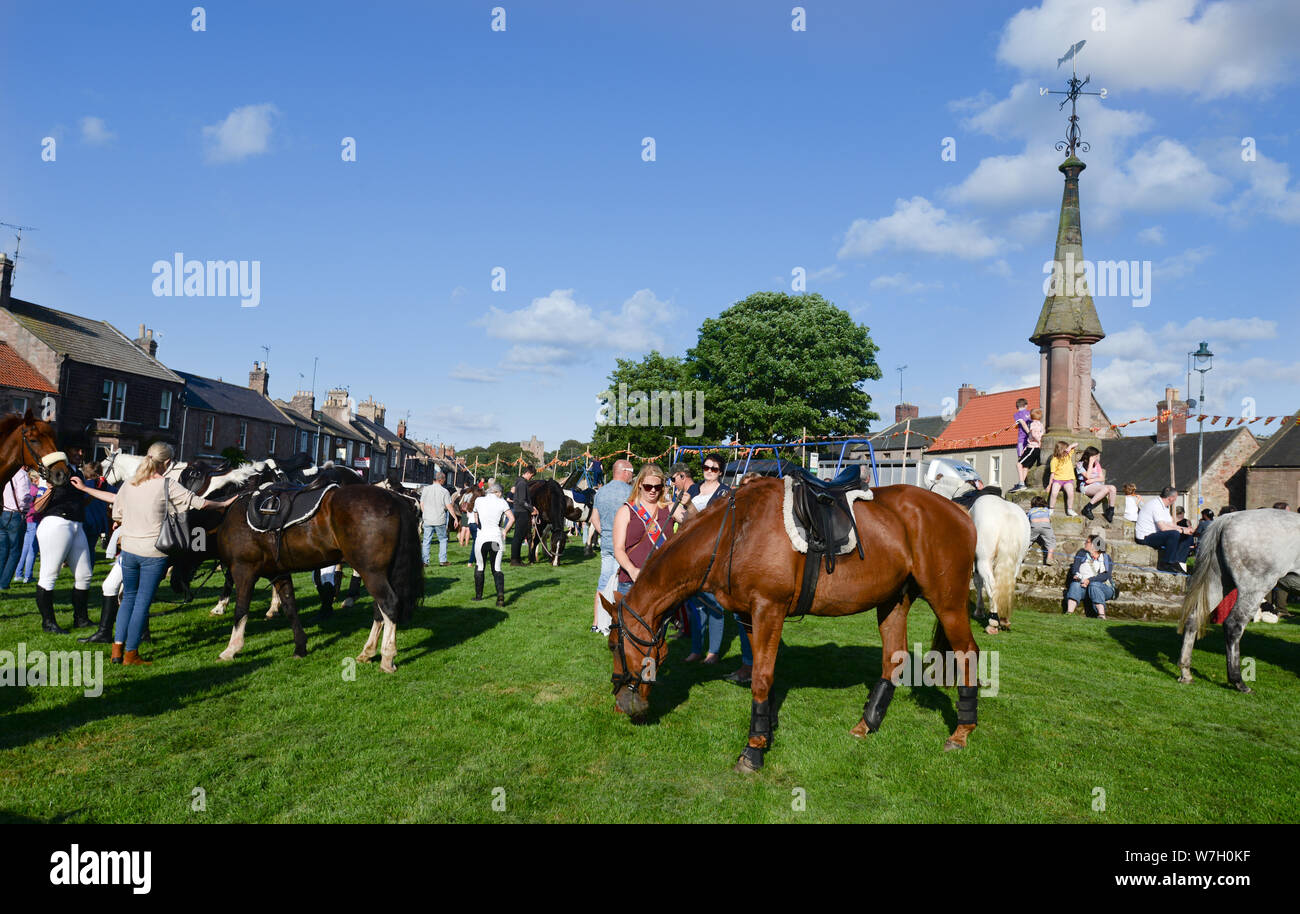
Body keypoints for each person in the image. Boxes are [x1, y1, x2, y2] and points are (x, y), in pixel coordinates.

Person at [73, 442, 234, 664]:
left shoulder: (130, 483)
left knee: (128, 598)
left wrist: (85, 489)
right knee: (142, 602)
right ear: (167, 462)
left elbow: (116, 508)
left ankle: (117, 651)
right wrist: (224, 503)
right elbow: (201, 504)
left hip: (128, 550)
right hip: (153, 553)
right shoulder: (167, 485)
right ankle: (132, 654)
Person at [30, 454, 94, 633]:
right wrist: (49, 488)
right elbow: (37, 508)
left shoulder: (77, 473)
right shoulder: (49, 474)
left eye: (81, 450)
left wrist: (93, 490)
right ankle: (48, 623)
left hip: (77, 524)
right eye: (75, 450)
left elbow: (81, 502)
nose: (80, 454)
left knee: (85, 574)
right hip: (56, 523)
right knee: (49, 574)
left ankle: (80, 619)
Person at [612, 464, 672, 597]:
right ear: (639, 484)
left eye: (657, 487)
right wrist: (632, 570)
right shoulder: (626, 511)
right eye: (648, 486)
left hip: (664, 580)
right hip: (631, 582)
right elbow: (618, 549)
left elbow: (693, 522)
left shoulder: (670, 508)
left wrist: (690, 505)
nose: (652, 490)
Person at [590, 459, 634, 633]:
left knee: (603, 582)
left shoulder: (601, 492)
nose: (632, 475)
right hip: (623, 545)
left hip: (607, 543)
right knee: (622, 585)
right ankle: (619, 624)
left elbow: (594, 519)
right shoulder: (631, 492)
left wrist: (606, 533)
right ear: (624, 471)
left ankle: (596, 623)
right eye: (631, 471)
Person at [1134, 486, 1193, 574]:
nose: (1175, 500)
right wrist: (1182, 530)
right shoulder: (1155, 505)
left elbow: (1171, 525)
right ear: (1170, 498)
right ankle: (1166, 564)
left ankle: (1178, 562)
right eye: (1175, 498)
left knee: (1187, 536)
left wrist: (1187, 529)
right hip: (1145, 537)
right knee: (1174, 534)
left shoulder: (1164, 507)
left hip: (1155, 534)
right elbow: (1163, 527)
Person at [471, 483, 513, 606]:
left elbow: (476, 518)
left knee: (480, 566)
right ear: (498, 492)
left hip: (482, 538)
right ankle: (500, 595)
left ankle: (479, 596)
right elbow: (512, 518)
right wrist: (504, 531)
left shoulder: (479, 500)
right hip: (496, 539)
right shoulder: (502, 502)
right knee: (497, 568)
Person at [1065, 533, 1114, 618]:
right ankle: (1069, 613)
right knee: (1075, 584)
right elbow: (1075, 568)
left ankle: (1101, 615)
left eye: (1087, 542)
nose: (1085, 543)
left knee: (1094, 585)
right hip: (1083, 586)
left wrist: (1089, 580)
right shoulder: (1081, 553)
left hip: (1104, 588)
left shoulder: (1106, 558)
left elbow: (1105, 576)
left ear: (1094, 546)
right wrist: (1077, 577)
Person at [0, 462, 32, 591]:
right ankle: (4, 583)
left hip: (4, 513)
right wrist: (32, 499)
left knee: (2, 550)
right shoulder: (22, 475)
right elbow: (23, 497)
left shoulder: (6, 473)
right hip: (17, 514)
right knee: (15, 551)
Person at [419, 472, 457, 566]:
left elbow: (422, 504)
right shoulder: (444, 491)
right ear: (441, 480)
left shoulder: (426, 489)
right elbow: (449, 506)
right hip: (439, 519)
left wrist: (425, 513)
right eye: (444, 479)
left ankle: (424, 561)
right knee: (443, 539)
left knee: (426, 540)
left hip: (428, 518)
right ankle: (442, 560)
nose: (444, 481)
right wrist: (455, 518)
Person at [14, 469, 44, 584]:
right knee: (32, 550)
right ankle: (28, 576)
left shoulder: (29, 489)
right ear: (36, 479)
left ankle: (18, 573)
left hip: (28, 520)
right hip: (35, 521)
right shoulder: (37, 490)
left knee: (25, 550)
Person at [1077, 446, 1117, 523]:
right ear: (1091, 456)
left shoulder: (1097, 464)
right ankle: (1087, 508)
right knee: (1105, 489)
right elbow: (1087, 476)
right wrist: (1091, 463)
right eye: (1096, 456)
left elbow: (1102, 478)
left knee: (1113, 488)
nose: (1098, 458)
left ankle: (1110, 511)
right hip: (1086, 487)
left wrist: (1092, 480)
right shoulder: (1080, 464)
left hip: (1096, 486)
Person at [509, 465, 536, 566]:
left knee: (519, 536)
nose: (531, 478)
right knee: (518, 537)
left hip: (522, 511)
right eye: (531, 476)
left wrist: (531, 507)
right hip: (521, 512)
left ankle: (517, 559)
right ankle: (515, 560)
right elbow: (521, 501)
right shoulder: (522, 483)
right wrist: (531, 509)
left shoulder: (521, 482)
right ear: (528, 473)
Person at [1047, 440, 1078, 515]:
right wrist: (1049, 485)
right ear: (1061, 450)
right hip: (1057, 480)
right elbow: (1052, 474)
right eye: (1066, 449)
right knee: (1054, 493)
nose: (1067, 451)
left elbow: (1076, 444)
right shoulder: (1054, 460)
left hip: (1068, 480)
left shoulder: (1068, 455)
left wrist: (1070, 447)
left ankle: (1070, 509)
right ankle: (1051, 509)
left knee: (1071, 493)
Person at [1026, 495, 1057, 566]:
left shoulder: (1031, 510)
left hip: (1034, 525)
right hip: (1046, 525)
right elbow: (1049, 519)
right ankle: (1049, 558)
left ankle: (1022, 554)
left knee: (1028, 540)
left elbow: (1027, 520)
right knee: (1051, 541)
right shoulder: (1046, 509)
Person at [1011, 398, 1032, 491]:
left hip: (1022, 439)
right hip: (1029, 440)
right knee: (1026, 462)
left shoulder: (1017, 414)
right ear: (1026, 405)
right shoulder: (1030, 413)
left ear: (1017, 406)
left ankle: (1021, 483)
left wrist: (1029, 434)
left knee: (1020, 461)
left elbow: (1023, 423)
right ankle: (1022, 482)